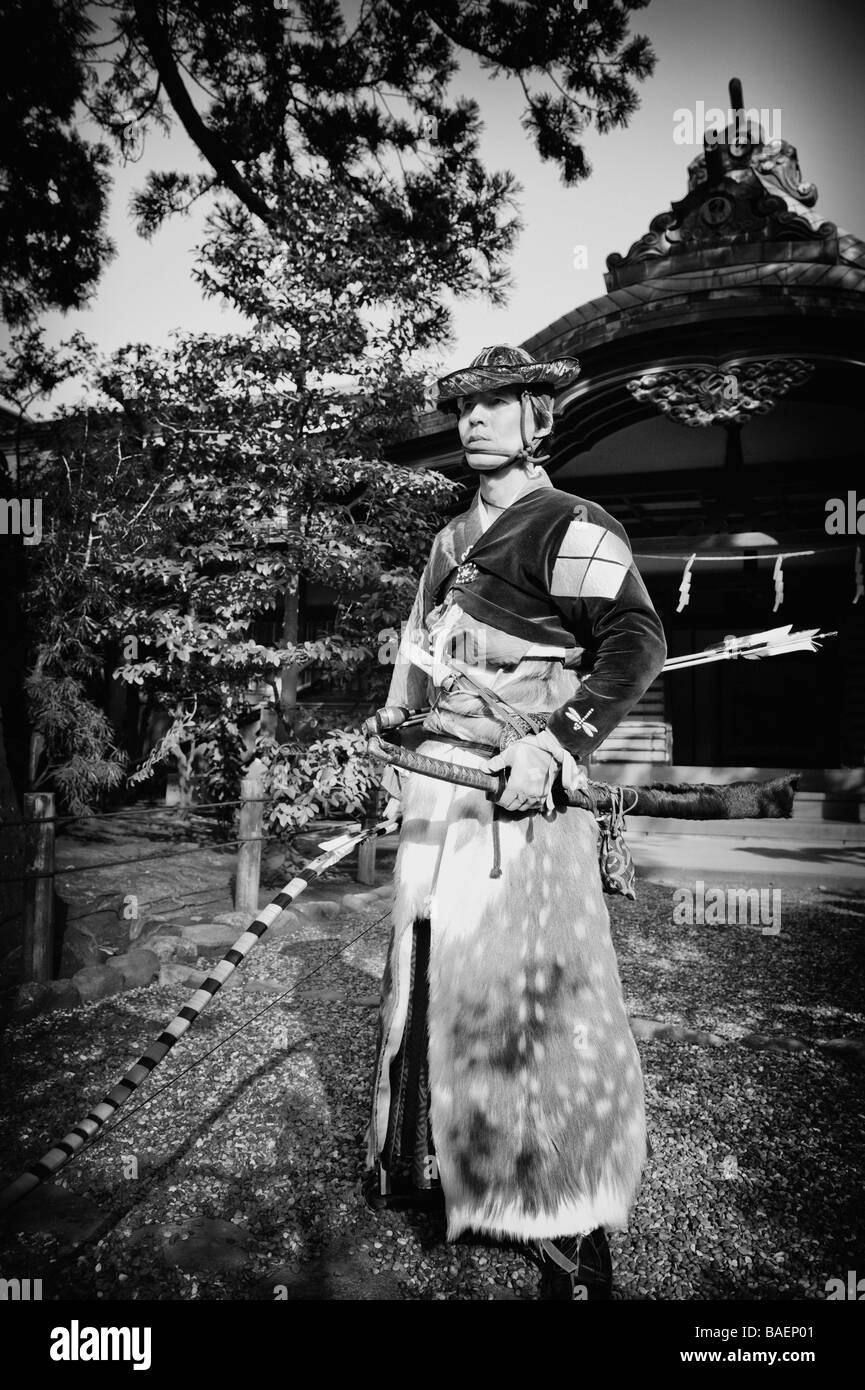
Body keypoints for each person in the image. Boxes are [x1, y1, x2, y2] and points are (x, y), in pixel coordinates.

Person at [363, 345, 668, 1299]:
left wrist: (557, 746)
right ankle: (442, 1168)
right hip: (437, 783)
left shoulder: (573, 523)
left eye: (498, 403)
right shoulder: (450, 541)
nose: (474, 419)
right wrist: (395, 729)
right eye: (464, 405)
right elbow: (419, 655)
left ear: (539, 417)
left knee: (534, 990)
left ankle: (560, 1208)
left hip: (521, 785)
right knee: (429, 968)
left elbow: (636, 640)